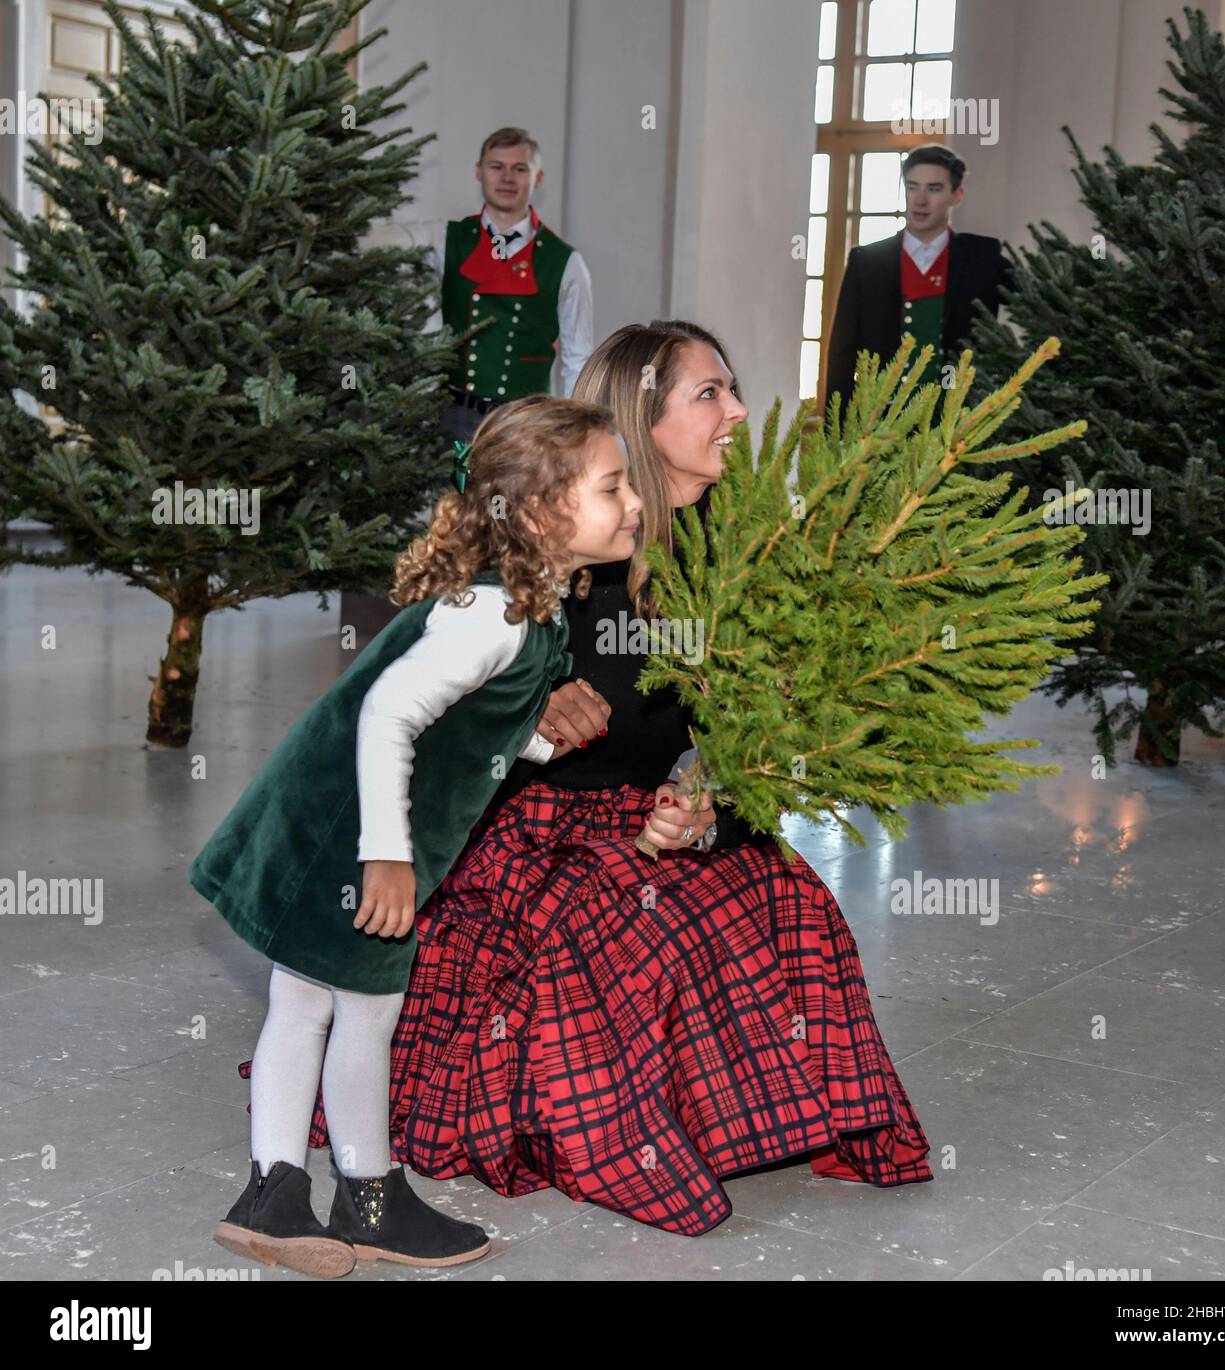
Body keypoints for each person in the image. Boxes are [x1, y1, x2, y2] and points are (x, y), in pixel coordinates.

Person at [282, 320, 933, 1237]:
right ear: (641, 415)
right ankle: (603, 1122)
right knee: (618, 918)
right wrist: (521, 711)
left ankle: (719, 1117)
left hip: (677, 814)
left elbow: (763, 726)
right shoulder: (558, 548)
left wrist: (705, 800)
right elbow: (418, 706)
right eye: (710, 394)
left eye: (732, 389)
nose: (740, 412)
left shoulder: (741, 553)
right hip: (538, 818)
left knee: (793, 905)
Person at [191, 396, 641, 1276]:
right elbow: (390, 716)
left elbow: (470, 723)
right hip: (346, 836)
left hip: (345, 829)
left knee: (314, 1002)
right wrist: (385, 857)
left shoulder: (531, 603)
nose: (632, 504)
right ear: (544, 511)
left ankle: (281, 1192)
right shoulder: (491, 614)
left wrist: (544, 737)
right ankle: (362, 1196)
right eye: (613, 486)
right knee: (356, 1009)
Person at [825, 143, 1011, 418]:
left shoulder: (983, 257)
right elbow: (843, 350)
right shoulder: (867, 261)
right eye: (913, 187)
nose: (920, 200)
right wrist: (837, 430)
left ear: (957, 195)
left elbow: (1037, 303)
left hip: (959, 422)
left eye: (934, 189)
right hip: (879, 424)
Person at [435, 126, 594, 444]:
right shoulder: (445, 240)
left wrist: (577, 429)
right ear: (479, 172)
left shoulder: (566, 262)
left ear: (538, 178)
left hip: (527, 422)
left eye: (519, 169)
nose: (507, 178)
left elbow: (578, 358)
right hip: (453, 414)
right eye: (497, 167)